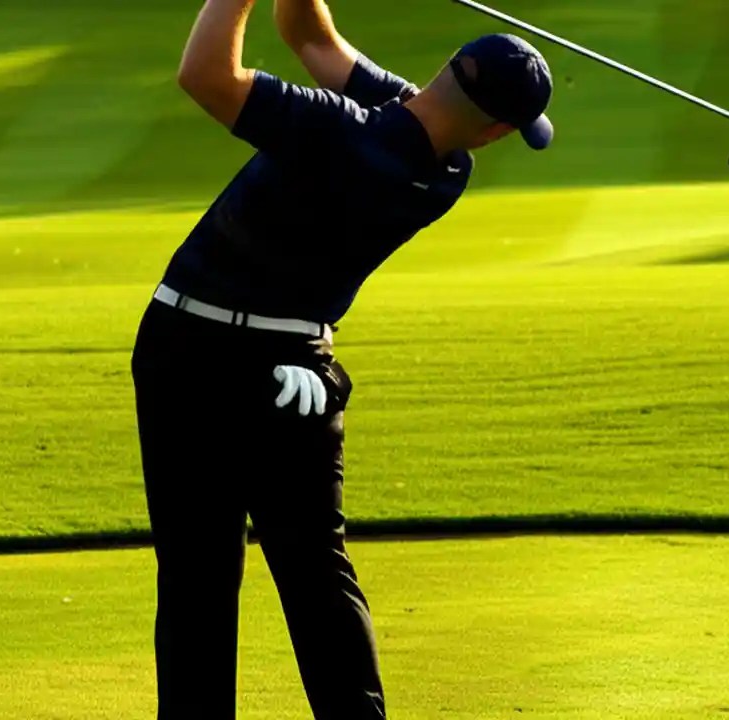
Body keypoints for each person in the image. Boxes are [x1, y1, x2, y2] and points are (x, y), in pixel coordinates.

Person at [128, 0, 553, 717]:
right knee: (316, 570)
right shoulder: (446, 168)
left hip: (188, 350)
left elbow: (205, 75)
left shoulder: (341, 131)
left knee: (197, 575)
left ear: (446, 69)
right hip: (294, 366)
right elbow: (309, 34)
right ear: (495, 131)